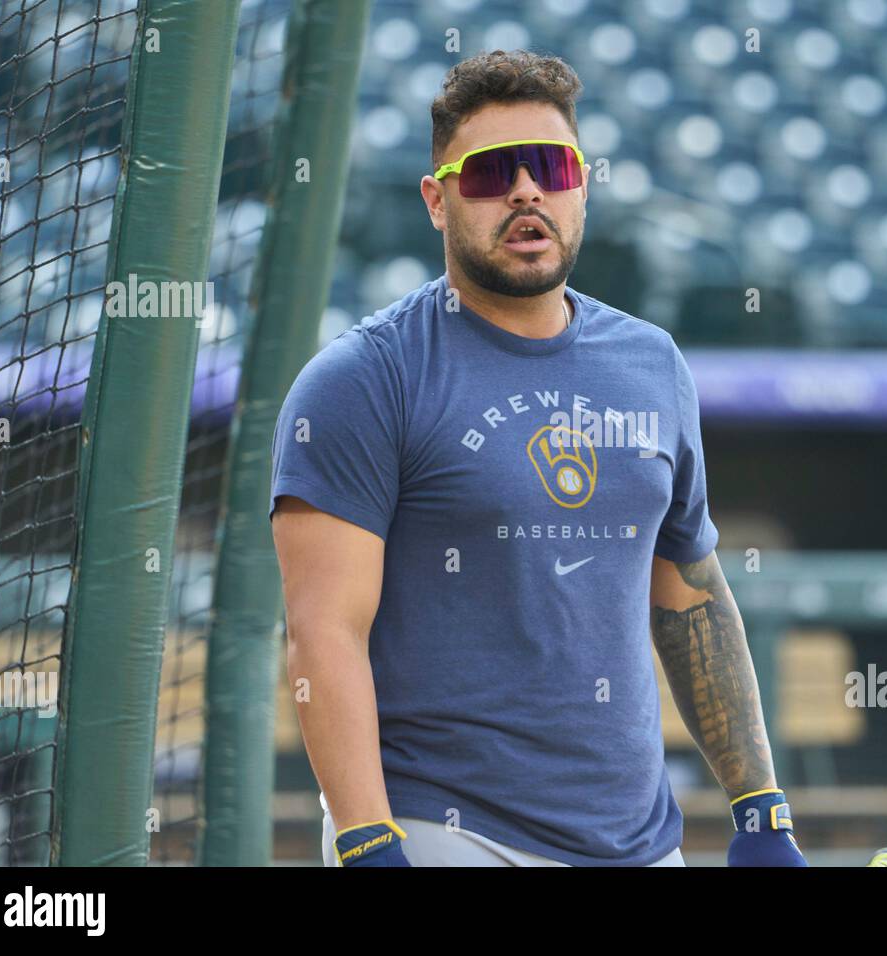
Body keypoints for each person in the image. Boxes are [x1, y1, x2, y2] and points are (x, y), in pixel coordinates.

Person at [269, 49, 805, 867]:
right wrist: (367, 839)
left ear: (582, 185)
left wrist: (760, 807)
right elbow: (323, 634)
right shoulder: (361, 380)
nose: (527, 190)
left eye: (552, 167)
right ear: (437, 200)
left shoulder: (653, 364)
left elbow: (691, 596)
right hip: (446, 830)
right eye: (490, 173)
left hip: (640, 840)